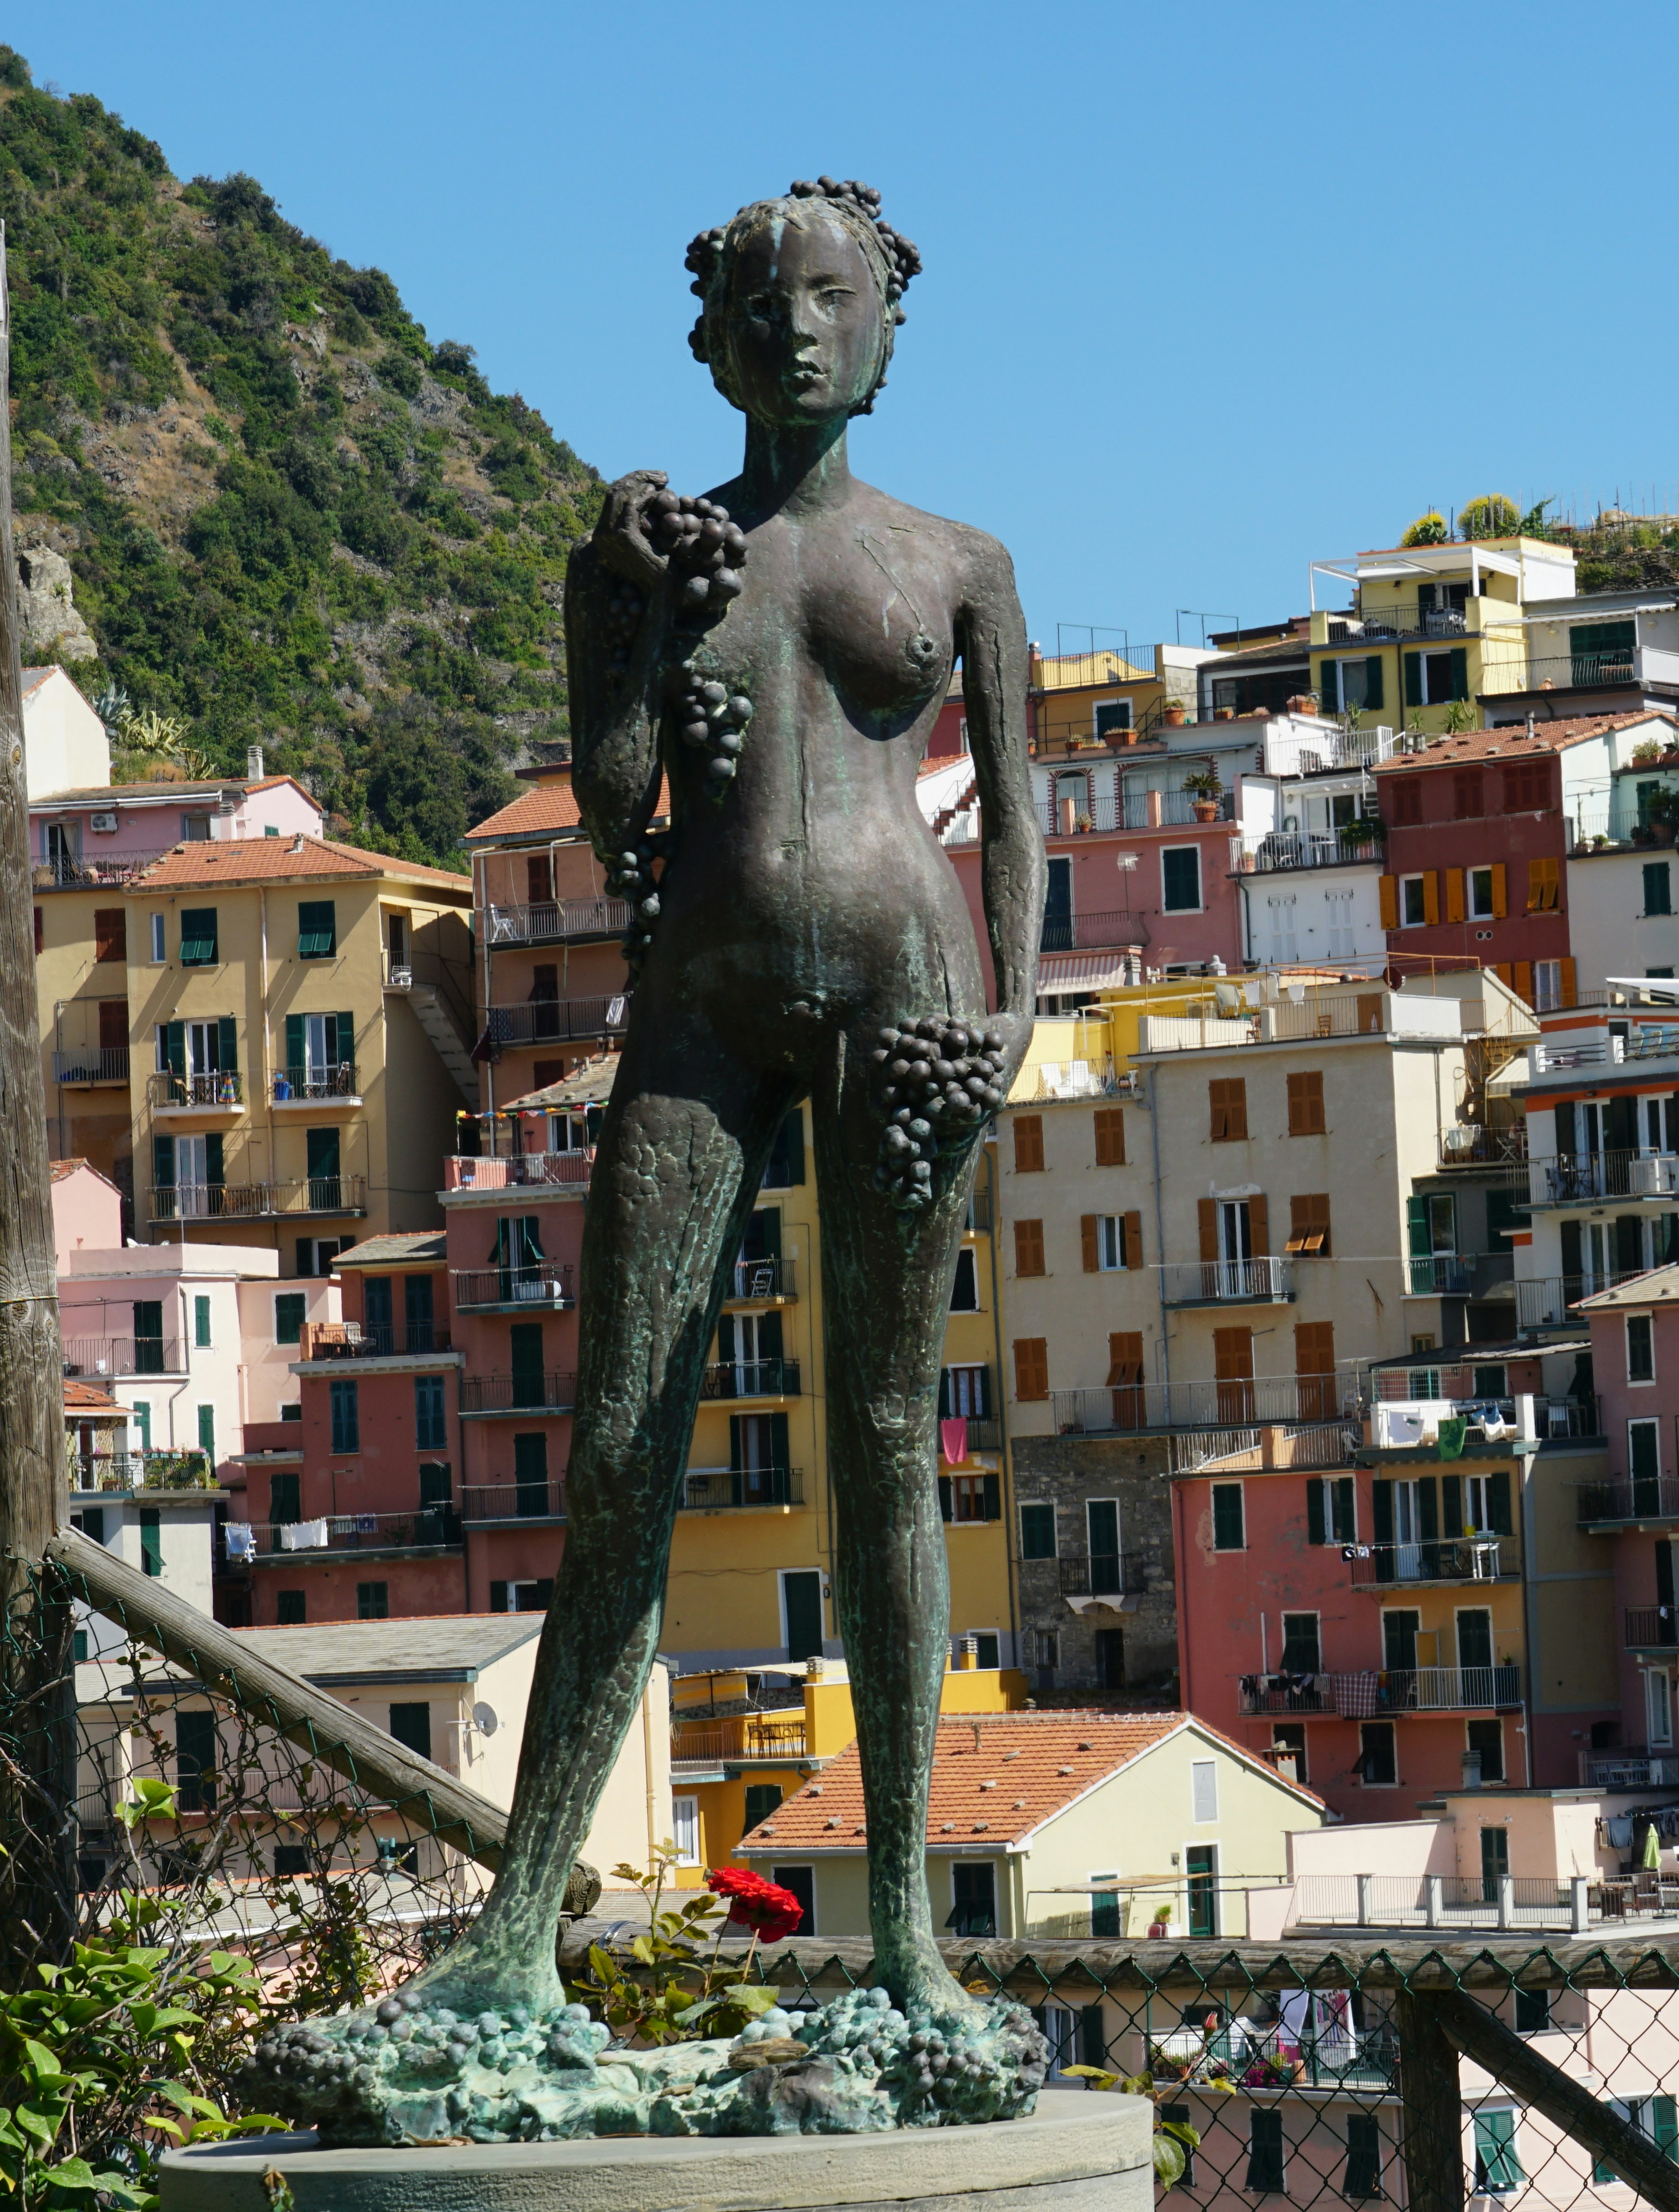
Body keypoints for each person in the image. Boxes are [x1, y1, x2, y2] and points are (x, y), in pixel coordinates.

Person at [386, 178, 1039, 2031]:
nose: (803, 331)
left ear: (891, 327)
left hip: (914, 1001)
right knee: (617, 1453)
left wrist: (1014, 1022)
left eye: (835, 301)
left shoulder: (962, 563)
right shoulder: (670, 551)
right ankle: (520, 1934)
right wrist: (612, 613)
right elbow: (611, 801)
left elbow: (1018, 817)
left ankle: (908, 1935)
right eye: (769, 308)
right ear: (715, 342)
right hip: (703, 1001)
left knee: (889, 1446)